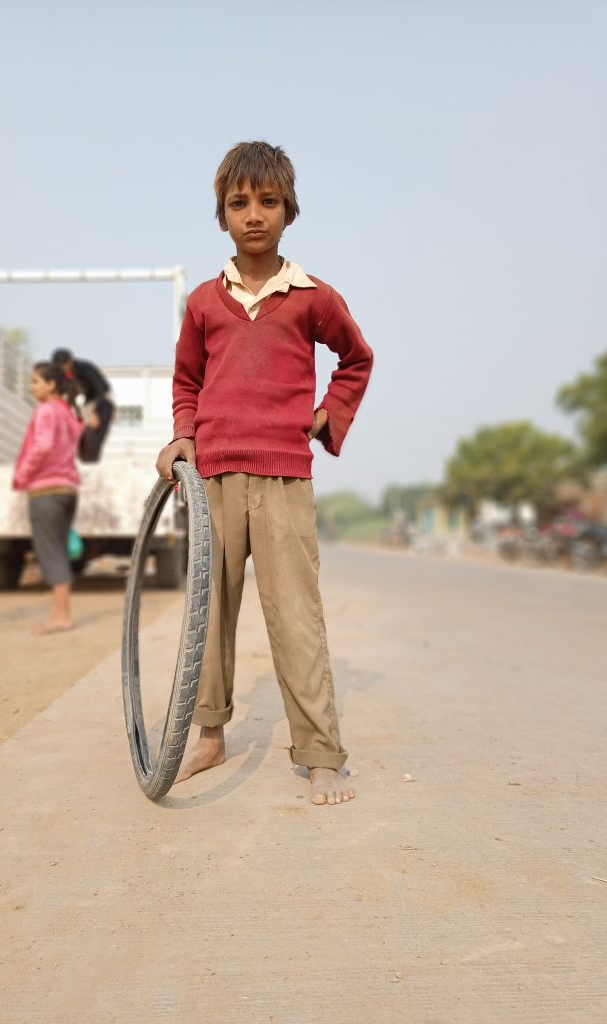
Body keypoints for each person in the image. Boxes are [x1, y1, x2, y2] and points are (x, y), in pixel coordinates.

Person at [156, 141, 374, 807]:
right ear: (222, 216)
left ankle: (320, 753)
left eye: (268, 202)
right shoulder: (203, 302)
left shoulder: (313, 297)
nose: (255, 215)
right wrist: (182, 436)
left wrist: (325, 416)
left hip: (283, 476)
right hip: (215, 475)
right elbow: (187, 380)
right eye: (239, 203)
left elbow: (356, 359)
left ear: (289, 211)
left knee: (296, 615)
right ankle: (211, 734)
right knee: (209, 612)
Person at [13, 362, 84, 635]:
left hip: (46, 490)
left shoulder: (45, 411)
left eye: (36, 381)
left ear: (52, 384)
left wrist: (22, 475)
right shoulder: (67, 413)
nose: (32, 387)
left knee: (50, 552)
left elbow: (41, 446)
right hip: (67, 489)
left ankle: (61, 617)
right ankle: (58, 613)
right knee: (58, 550)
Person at [51, 348, 115, 463]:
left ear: (69, 362)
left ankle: (91, 462)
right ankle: (82, 460)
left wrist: (94, 412)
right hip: (85, 403)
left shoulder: (85, 368)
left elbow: (100, 390)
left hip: (102, 401)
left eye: (63, 366)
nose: (61, 370)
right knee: (81, 435)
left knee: (93, 434)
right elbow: (70, 397)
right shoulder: (62, 376)